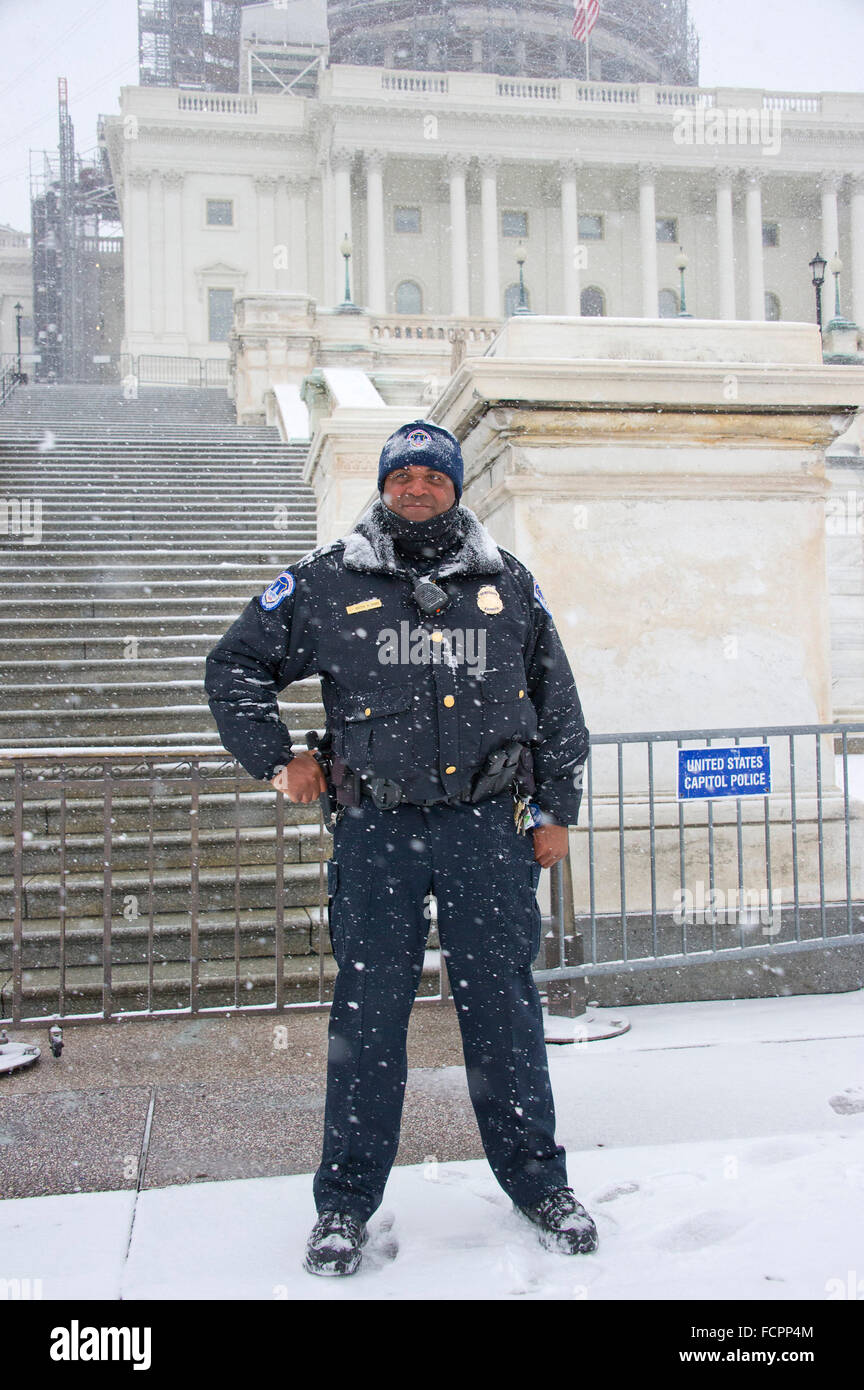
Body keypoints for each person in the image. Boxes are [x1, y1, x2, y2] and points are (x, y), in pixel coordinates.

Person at [204, 419, 597, 1276]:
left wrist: (555, 809)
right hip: (378, 833)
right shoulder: (327, 579)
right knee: (368, 1022)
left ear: (459, 488)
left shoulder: (507, 584)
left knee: (505, 1014)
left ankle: (539, 1183)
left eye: (434, 475)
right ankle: (344, 1204)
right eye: (401, 475)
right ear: (383, 486)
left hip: (488, 832)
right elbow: (233, 666)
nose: (416, 487)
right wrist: (279, 761)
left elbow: (557, 703)